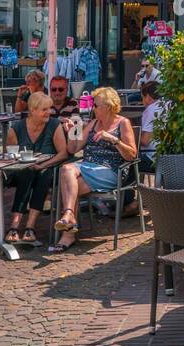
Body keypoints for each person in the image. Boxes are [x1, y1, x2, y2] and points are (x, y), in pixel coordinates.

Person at [52, 87, 137, 255]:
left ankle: (68, 224)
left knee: (67, 170)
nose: (92, 108)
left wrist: (113, 139)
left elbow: (132, 155)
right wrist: (72, 131)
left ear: (108, 105)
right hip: (88, 169)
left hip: (111, 171)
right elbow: (73, 148)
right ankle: (69, 224)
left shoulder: (122, 123)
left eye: (95, 105)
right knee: (71, 183)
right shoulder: (93, 124)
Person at [7, 92, 70, 246]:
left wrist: (42, 165)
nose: (49, 112)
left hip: (47, 169)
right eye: (44, 109)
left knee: (42, 175)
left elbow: (63, 153)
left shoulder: (54, 125)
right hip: (21, 170)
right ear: (32, 110)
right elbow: (10, 155)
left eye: (50, 108)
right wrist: (26, 164)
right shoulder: (16, 129)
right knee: (28, 172)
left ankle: (29, 226)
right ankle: (15, 225)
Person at [137, 80, 169, 172]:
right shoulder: (169, 104)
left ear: (148, 97)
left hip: (153, 158)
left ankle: (124, 185)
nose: (142, 101)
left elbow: (145, 141)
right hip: (170, 158)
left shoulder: (151, 110)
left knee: (124, 158)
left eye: (142, 97)